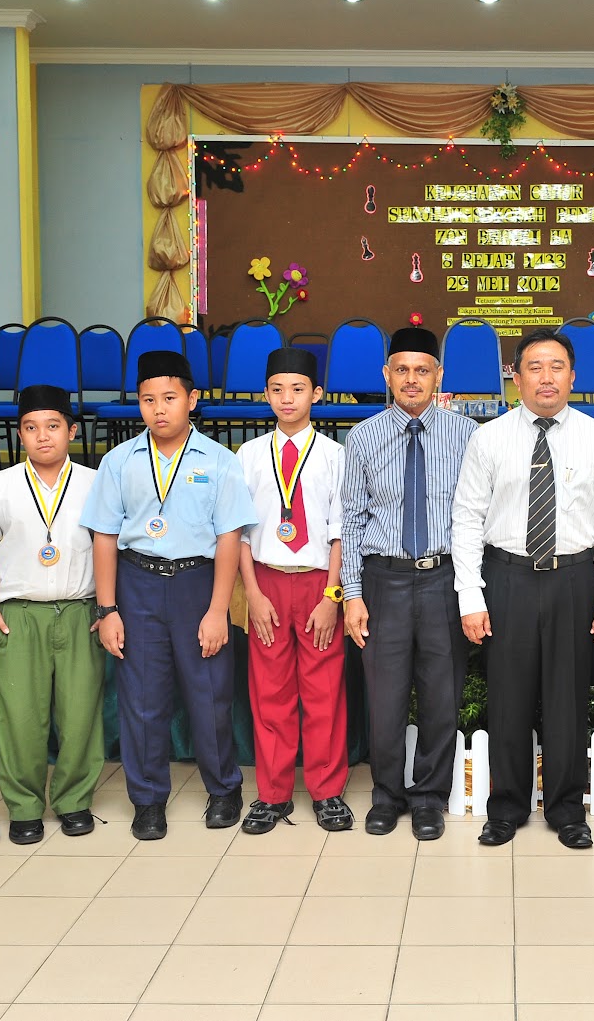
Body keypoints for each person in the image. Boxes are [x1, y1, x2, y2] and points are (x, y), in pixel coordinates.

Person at [453, 328, 594, 849]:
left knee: (567, 699)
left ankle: (565, 810)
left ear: (573, 376)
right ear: (516, 376)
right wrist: (471, 596)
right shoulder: (488, 439)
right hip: (506, 577)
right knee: (507, 698)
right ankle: (505, 808)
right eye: (535, 366)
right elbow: (466, 520)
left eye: (557, 366)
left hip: (574, 579)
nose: (547, 377)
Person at [80, 349, 257, 841]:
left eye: (170, 398)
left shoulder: (220, 462)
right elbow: (104, 538)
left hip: (197, 584)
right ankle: (148, 799)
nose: (158, 409)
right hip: (137, 584)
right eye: (147, 399)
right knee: (141, 699)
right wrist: (108, 608)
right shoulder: (118, 462)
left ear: (193, 400)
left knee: (209, 694)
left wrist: (219, 609)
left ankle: (224, 789)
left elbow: (229, 538)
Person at [341, 326, 477, 840]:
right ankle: (387, 795)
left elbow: (475, 517)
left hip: (444, 576)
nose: (412, 379)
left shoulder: (466, 436)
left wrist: (471, 589)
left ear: (439, 376)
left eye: (423, 370)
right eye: (402, 369)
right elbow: (351, 520)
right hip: (385, 580)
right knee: (386, 696)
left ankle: (428, 797)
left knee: (442, 695)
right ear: (387, 375)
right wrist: (351, 593)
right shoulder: (364, 437)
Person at [0, 385, 105, 845]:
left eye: (52, 427)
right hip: (18, 614)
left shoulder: (94, 481)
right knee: (20, 716)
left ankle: (74, 801)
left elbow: (110, 549)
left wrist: (108, 608)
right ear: (20, 434)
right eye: (31, 428)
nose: (42, 437)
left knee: (79, 713)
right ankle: (24, 806)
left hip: (79, 610)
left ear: (71, 430)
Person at [236, 347, 352, 834]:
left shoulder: (335, 455)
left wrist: (332, 598)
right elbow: (240, 532)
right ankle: (273, 794)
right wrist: (253, 595)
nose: (287, 398)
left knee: (324, 690)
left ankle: (327, 792)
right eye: (277, 389)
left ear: (317, 394)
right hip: (265, 583)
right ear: (265, 394)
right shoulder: (246, 455)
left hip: (317, 586)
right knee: (270, 693)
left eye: (298, 389)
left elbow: (342, 532)